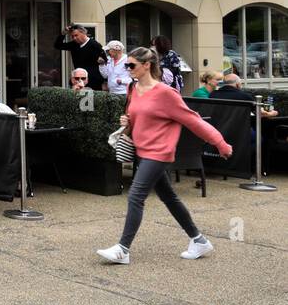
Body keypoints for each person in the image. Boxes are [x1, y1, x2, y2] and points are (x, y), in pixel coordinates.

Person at [96, 47, 232, 265]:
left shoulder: (166, 93)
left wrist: (221, 144)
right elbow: (136, 117)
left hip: (159, 152)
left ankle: (123, 249)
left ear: (147, 65)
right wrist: (127, 122)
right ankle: (199, 240)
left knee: (136, 195)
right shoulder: (133, 88)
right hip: (142, 150)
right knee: (170, 198)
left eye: (131, 65)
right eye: (126, 65)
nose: (127, 69)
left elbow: (193, 120)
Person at [56, 24, 107, 91]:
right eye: (72, 36)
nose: (74, 38)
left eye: (76, 35)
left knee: (91, 100)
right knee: (78, 99)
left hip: (94, 80)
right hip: (78, 78)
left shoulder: (95, 45)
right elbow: (58, 45)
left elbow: (105, 61)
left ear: (83, 33)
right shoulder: (74, 44)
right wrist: (63, 33)